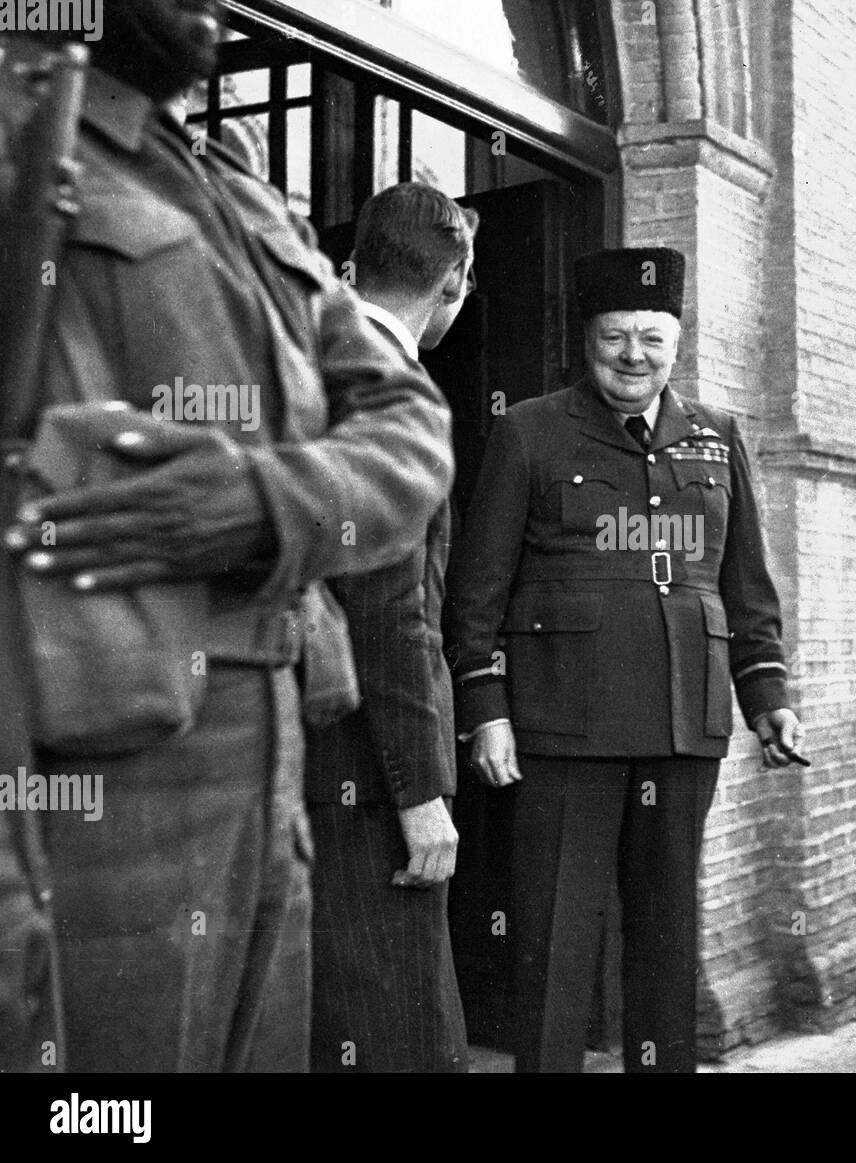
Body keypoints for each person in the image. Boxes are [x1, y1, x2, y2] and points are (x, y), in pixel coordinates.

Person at [0, 2, 453, 1071]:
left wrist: (262, 501)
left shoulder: (240, 195)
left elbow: (410, 428)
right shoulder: (26, 137)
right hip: (85, 773)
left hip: (267, 758)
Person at [445, 246, 804, 1073]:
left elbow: (747, 586)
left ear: (677, 341)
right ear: (587, 338)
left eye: (652, 338)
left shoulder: (717, 436)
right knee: (555, 942)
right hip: (563, 725)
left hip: (684, 726)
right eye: (615, 337)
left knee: (666, 938)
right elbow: (477, 593)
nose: (633, 355)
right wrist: (485, 710)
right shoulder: (529, 430)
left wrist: (769, 694)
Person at [304, 182, 478, 1073]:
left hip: (298, 743)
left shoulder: (302, 360)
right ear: (454, 283)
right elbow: (392, 610)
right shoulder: (391, 390)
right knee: (397, 1024)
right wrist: (421, 791)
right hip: (367, 764)